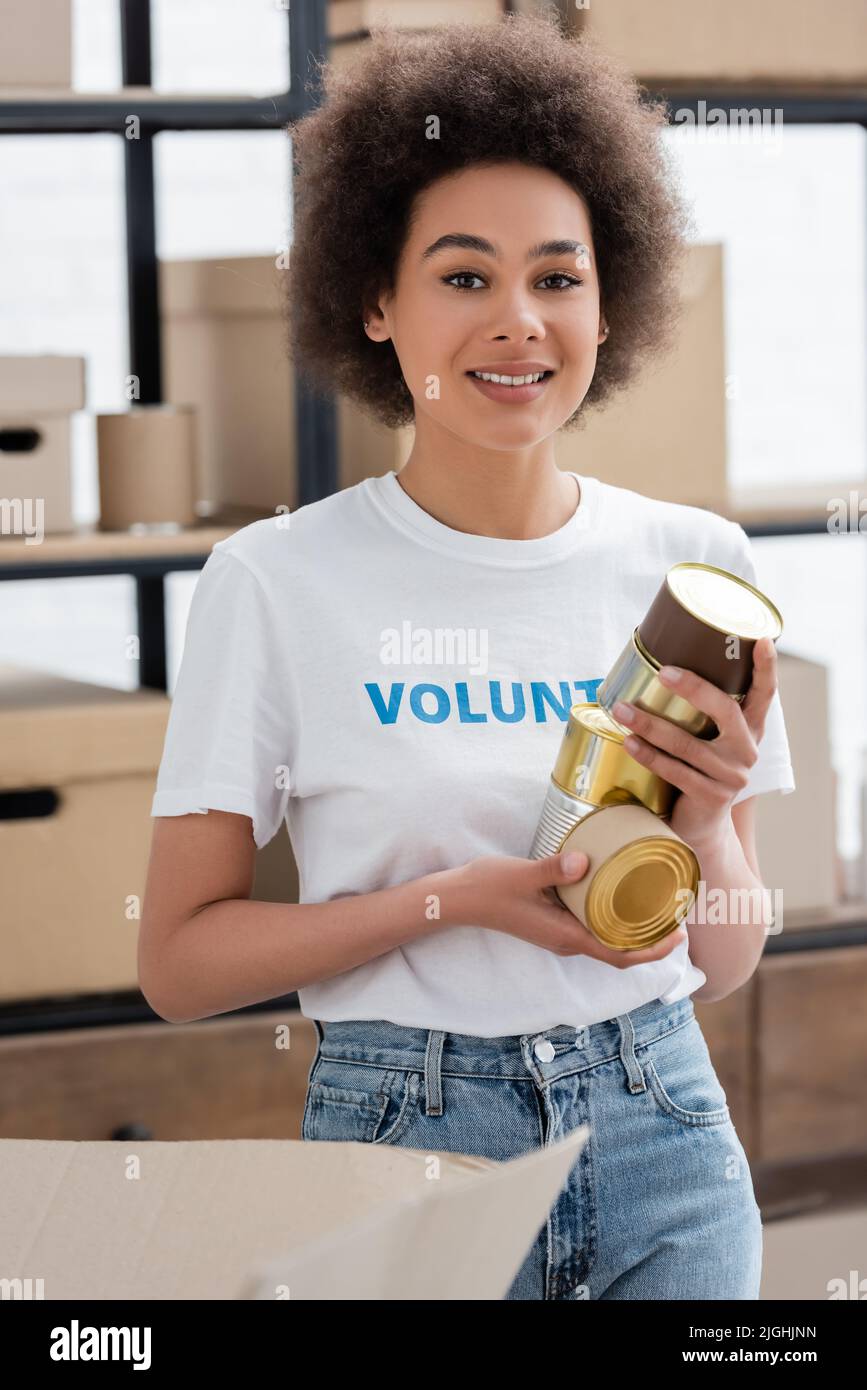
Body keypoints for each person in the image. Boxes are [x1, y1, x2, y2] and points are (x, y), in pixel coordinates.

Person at [141, 13, 796, 1300]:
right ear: (376, 303)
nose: (518, 323)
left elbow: (720, 961)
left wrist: (712, 823)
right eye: (462, 276)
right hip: (410, 1140)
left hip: (664, 1122)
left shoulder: (693, 565)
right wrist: (454, 901)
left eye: (559, 277)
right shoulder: (275, 581)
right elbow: (177, 962)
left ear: (611, 304)